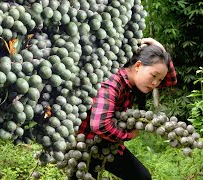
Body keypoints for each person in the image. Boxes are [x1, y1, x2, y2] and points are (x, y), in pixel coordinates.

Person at [76, 38, 177, 179]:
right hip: (84, 147)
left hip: (108, 145)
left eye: (159, 79)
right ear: (138, 66)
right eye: (153, 75)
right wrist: (128, 135)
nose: (155, 83)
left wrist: (162, 50)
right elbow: (99, 125)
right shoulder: (112, 83)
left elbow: (170, 80)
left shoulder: (133, 83)